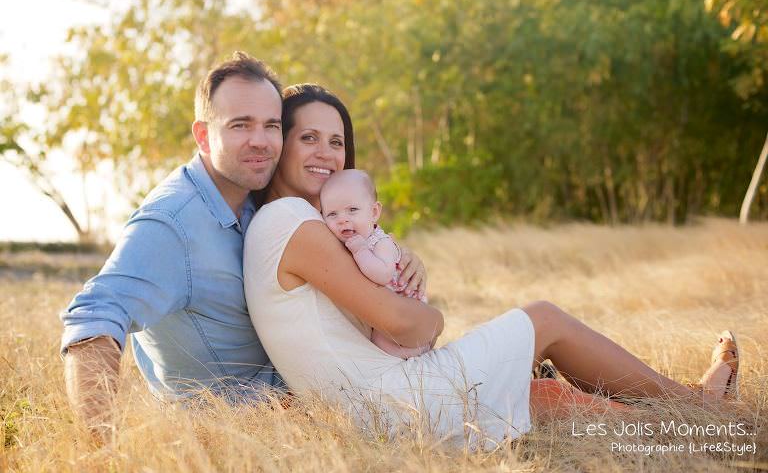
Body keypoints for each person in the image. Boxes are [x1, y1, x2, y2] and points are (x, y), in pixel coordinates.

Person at [243, 83, 739, 448]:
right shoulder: (289, 219)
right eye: (308, 138)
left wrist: (403, 263)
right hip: (388, 404)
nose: (327, 154)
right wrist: (430, 316)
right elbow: (403, 323)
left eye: (336, 141)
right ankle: (695, 409)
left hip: (383, 401)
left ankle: (684, 417)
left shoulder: (312, 224)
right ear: (280, 142)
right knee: (542, 319)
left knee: (541, 395)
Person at [59, 54, 426, 438]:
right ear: (203, 135)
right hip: (238, 435)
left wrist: (397, 253)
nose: (260, 141)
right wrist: (98, 449)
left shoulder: (253, 197)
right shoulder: (173, 223)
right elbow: (94, 315)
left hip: (315, 413)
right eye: (240, 125)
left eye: (271, 126)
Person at [320, 168, 429, 359]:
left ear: (374, 212)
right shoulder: (348, 242)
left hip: (406, 306)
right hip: (383, 309)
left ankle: (418, 352)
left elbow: (383, 275)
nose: (342, 219)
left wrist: (361, 251)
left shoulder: (381, 243)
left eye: (352, 210)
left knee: (380, 342)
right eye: (332, 214)